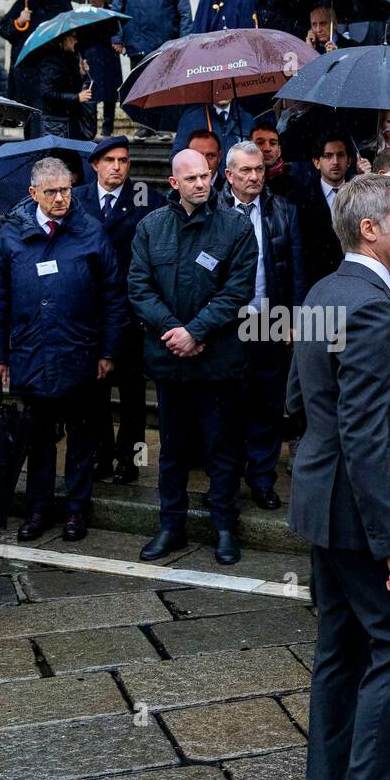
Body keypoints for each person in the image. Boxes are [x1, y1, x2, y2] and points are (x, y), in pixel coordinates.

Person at [286, 172, 390, 780]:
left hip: (324, 505)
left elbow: (300, 400)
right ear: (371, 230)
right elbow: (365, 434)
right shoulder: (371, 305)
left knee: (339, 655)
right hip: (362, 515)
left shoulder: (322, 290)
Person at [0, 158, 128, 543]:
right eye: (51, 192)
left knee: (82, 437)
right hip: (31, 353)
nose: (61, 198)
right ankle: (38, 509)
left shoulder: (90, 233)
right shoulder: (12, 235)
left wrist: (108, 351)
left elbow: (114, 296)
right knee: (39, 438)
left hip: (80, 352)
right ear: (33, 194)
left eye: (66, 189)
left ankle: (77, 510)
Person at [128, 149, 258, 565]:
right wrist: (175, 332)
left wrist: (196, 331)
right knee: (172, 450)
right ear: (174, 183)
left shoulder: (235, 227)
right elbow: (139, 288)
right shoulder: (151, 227)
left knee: (221, 447)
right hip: (170, 361)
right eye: (191, 179)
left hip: (217, 360)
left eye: (205, 176)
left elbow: (237, 291)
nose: (201, 184)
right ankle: (171, 526)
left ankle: (224, 527)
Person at [74, 136, 167, 483]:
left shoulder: (145, 199)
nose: (117, 167)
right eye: (110, 160)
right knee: (94, 391)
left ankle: (130, 460)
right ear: (95, 164)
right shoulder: (77, 200)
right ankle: (101, 456)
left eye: (124, 160)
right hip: (87, 311)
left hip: (129, 313)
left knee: (131, 393)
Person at [217, 141, 305, 509]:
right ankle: (227, 480)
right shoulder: (212, 211)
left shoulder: (283, 210)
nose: (255, 177)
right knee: (227, 408)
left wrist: (295, 319)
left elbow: (297, 270)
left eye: (259, 170)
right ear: (229, 176)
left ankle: (262, 480)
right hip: (227, 325)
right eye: (246, 171)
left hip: (270, 322)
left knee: (267, 407)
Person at [0, 0, 74, 136]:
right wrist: (19, 21)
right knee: (32, 114)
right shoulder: (23, 3)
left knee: (54, 112)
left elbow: (72, 27)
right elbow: (3, 29)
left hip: (54, 67)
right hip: (28, 70)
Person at [296, 132, 351, 287]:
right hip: (317, 281)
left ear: (349, 161)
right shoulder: (301, 199)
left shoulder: (360, 195)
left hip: (353, 280)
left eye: (340, 155)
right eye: (328, 156)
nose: (335, 162)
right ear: (316, 162)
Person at [36, 32, 97, 140]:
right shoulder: (51, 61)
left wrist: (82, 74)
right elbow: (48, 93)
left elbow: (72, 86)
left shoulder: (70, 58)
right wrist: (76, 97)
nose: (76, 41)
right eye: (73, 37)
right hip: (55, 123)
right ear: (64, 38)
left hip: (70, 120)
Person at [81, 0, 123, 138]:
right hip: (91, 57)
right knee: (91, 94)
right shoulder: (85, 15)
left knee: (110, 95)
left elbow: (118, 32)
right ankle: (90, 128)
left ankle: (107, 128)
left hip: (109, 58)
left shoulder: (112, 13)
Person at [172, 101, 257, 164]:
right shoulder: (191, 119)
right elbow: (177, 157)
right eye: (218, 83)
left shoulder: (247, 119)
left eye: (226, 83)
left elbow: (255, 155)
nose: (223, 88)